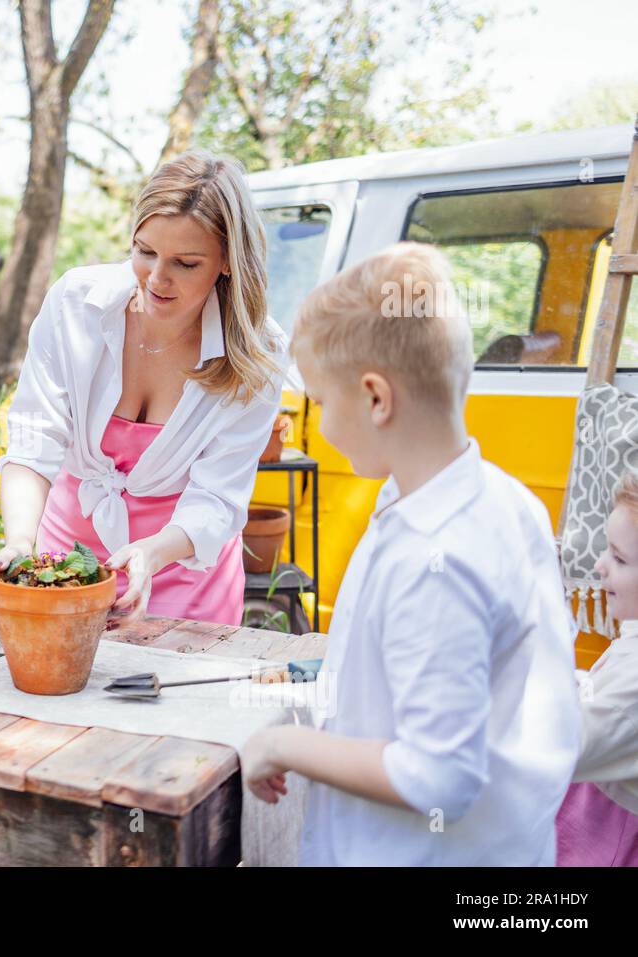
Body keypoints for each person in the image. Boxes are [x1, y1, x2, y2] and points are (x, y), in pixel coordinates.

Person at [241, 242, 580, 865]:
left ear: (375, 398)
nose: (318, 422)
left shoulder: (438, 560)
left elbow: (437, 778)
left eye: (319, 401)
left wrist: (283, 747)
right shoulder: (501, 500)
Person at [0, 151, 289, 623]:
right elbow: (33, 439)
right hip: (67, 564)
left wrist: (152, 553)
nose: (156, 279)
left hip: (185, 570)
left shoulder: (256, 350)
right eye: (145, 251)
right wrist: (21, 542)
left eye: (185, 263)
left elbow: (218, 498)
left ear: (227, 261)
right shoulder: (75, 305)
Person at [556, 470, 638, 866]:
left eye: (619, 558)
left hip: (602, 843)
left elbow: (560, 748)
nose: (600, 565)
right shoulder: (631, 638)